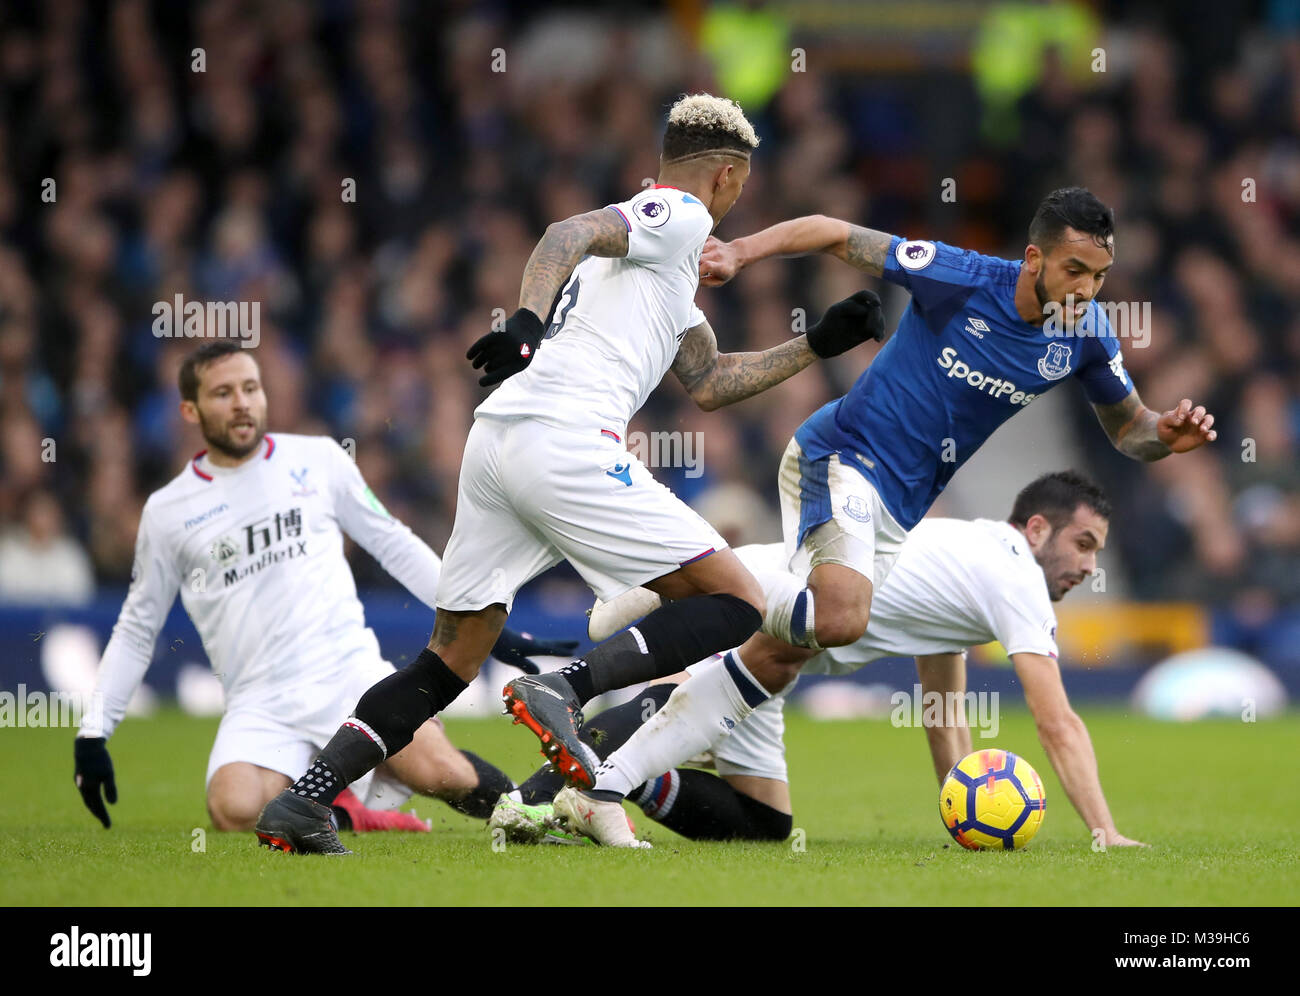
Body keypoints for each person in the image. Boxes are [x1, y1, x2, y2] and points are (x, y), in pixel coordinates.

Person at [255, 93, 885, 853]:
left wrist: (817, 344)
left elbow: (712, 380)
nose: (738, 197)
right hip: (565, 442)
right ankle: (563, 692)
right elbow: (568, 231)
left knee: (448, 660)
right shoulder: (677, 214)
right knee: (738, 600)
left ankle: (303, 802)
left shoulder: (664, 271)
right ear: (725, 176)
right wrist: (523, 322)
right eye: (742, 185)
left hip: (498, 446)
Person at [551, 187, 1218, 845]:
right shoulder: (960, 278)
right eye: (1074, 271)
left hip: (900, 509)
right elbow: (833, 231)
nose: (1086, 291)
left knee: (779, 656)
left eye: (1100, 277)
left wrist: (1167, 433)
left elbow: (1131, 429)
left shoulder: (1087, 336)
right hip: (840, 455)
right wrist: (741, 251)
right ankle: (698, 583)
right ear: (1034, 259)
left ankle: (606, 784)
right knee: (841, 616)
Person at [73, 341, 569, 841]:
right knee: (234, 809)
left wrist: (476, 621)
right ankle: (351, 811)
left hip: (346, 674)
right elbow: (138, 627)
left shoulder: (317, 460)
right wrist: (94, 733)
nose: (242, 402)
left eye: (250, 388)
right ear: (190, 409)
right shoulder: (168, 511)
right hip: (259, 701)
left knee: (440, 774)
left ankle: (537, 812)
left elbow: (392, 544)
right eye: (223, 393)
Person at [496, 471, 1145, 849]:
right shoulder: (1014, 577)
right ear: (1037, 530)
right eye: (1083, 545)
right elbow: (1056, 720)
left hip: (781, 655)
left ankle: (612, 787)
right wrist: (1104, 831)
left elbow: (945, 710)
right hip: (769, 597)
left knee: (766, 823)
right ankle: (536, 798)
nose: (1089, 567)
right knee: (687, 694)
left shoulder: (967, 565)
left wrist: (964, 812)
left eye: (1097, 552)